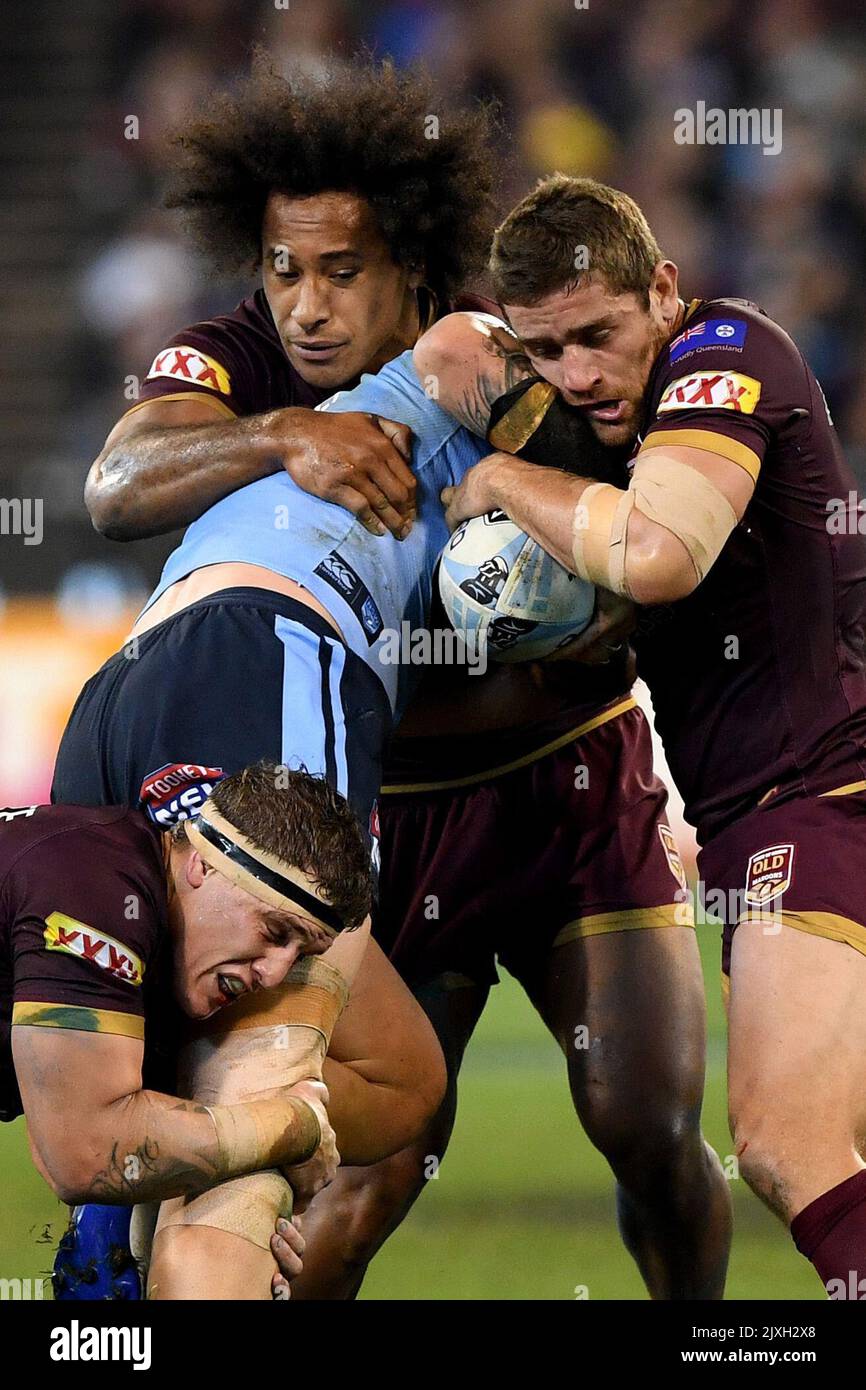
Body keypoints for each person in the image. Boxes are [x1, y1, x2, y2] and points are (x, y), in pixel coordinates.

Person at [60, 56, 730, 1301]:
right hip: (388, 800)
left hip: (567, 776)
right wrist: (282, 437)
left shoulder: (482, 350)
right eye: (281, 272)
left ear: (410, 269)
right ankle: (167, 1250)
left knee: (647, 1120)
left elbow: (626, 510)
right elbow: (111, 489)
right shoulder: (231, 367)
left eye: (340, 273)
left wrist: (563, 604)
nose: (305, 308)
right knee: (371, 1149)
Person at [425, 173, 866, 1300]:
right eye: (545, 349)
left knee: (781, 1141)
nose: (576, 373)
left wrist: (501, 478)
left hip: (824, 793)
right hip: (778, 805)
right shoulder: (617, 443)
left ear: (660, 292)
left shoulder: (724, 351)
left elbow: (660, 553)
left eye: (596, 335)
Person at [1, 763, 371, 1300]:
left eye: (299, 955)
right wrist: (295, 1128)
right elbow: (79, 1153)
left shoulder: (149, 927)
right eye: (273, 933)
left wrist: (252, 1223)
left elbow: (71, 1124)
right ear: (202, 864)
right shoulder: (95, 889)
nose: (272, 973)